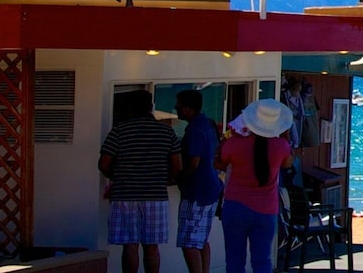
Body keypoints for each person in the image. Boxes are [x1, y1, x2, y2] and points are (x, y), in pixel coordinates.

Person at [97, 90, 181, 273]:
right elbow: (177, 165)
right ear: (150, 107)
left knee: (130, 245)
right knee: (152, 246)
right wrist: (165, 179)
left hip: (125, 195)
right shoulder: (166, 132)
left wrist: (118, 177)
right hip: (156, 195)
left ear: (130, 109)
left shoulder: (119, 130)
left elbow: (103, 164)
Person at [217, 99, 295, 273]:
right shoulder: (280, 146)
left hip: (235, 205)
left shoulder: (235, 143)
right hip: (266, 209)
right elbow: (288, 163)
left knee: (234, 261)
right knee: (262, 261)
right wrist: (286, 136)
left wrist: (228, 135)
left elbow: (220, 161)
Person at [174, 90, 221, 273]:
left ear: (187, 108)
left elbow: (194, 162)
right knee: (201, 240)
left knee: (189, 242)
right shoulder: (208, 124)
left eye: (178, 105)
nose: (176, 108)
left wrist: (179, 175)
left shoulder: (194, 129)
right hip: (210, 188)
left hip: (196, 191)